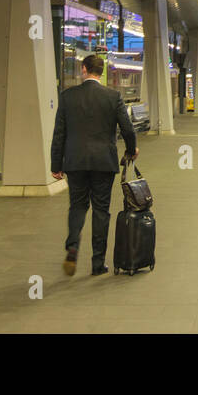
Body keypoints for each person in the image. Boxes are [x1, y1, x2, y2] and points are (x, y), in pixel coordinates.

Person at [51, 53, 138, 277]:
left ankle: (72, 246)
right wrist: (131, 149)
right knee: (101, 210)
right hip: (103, 162)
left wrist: (55, 165)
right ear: (101, 72)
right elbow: (127, 128)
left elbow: (59, 134)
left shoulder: (67, 97)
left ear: (84, 69)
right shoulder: (112, 96)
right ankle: (98, 263)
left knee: (77, 206)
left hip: (75, 162)